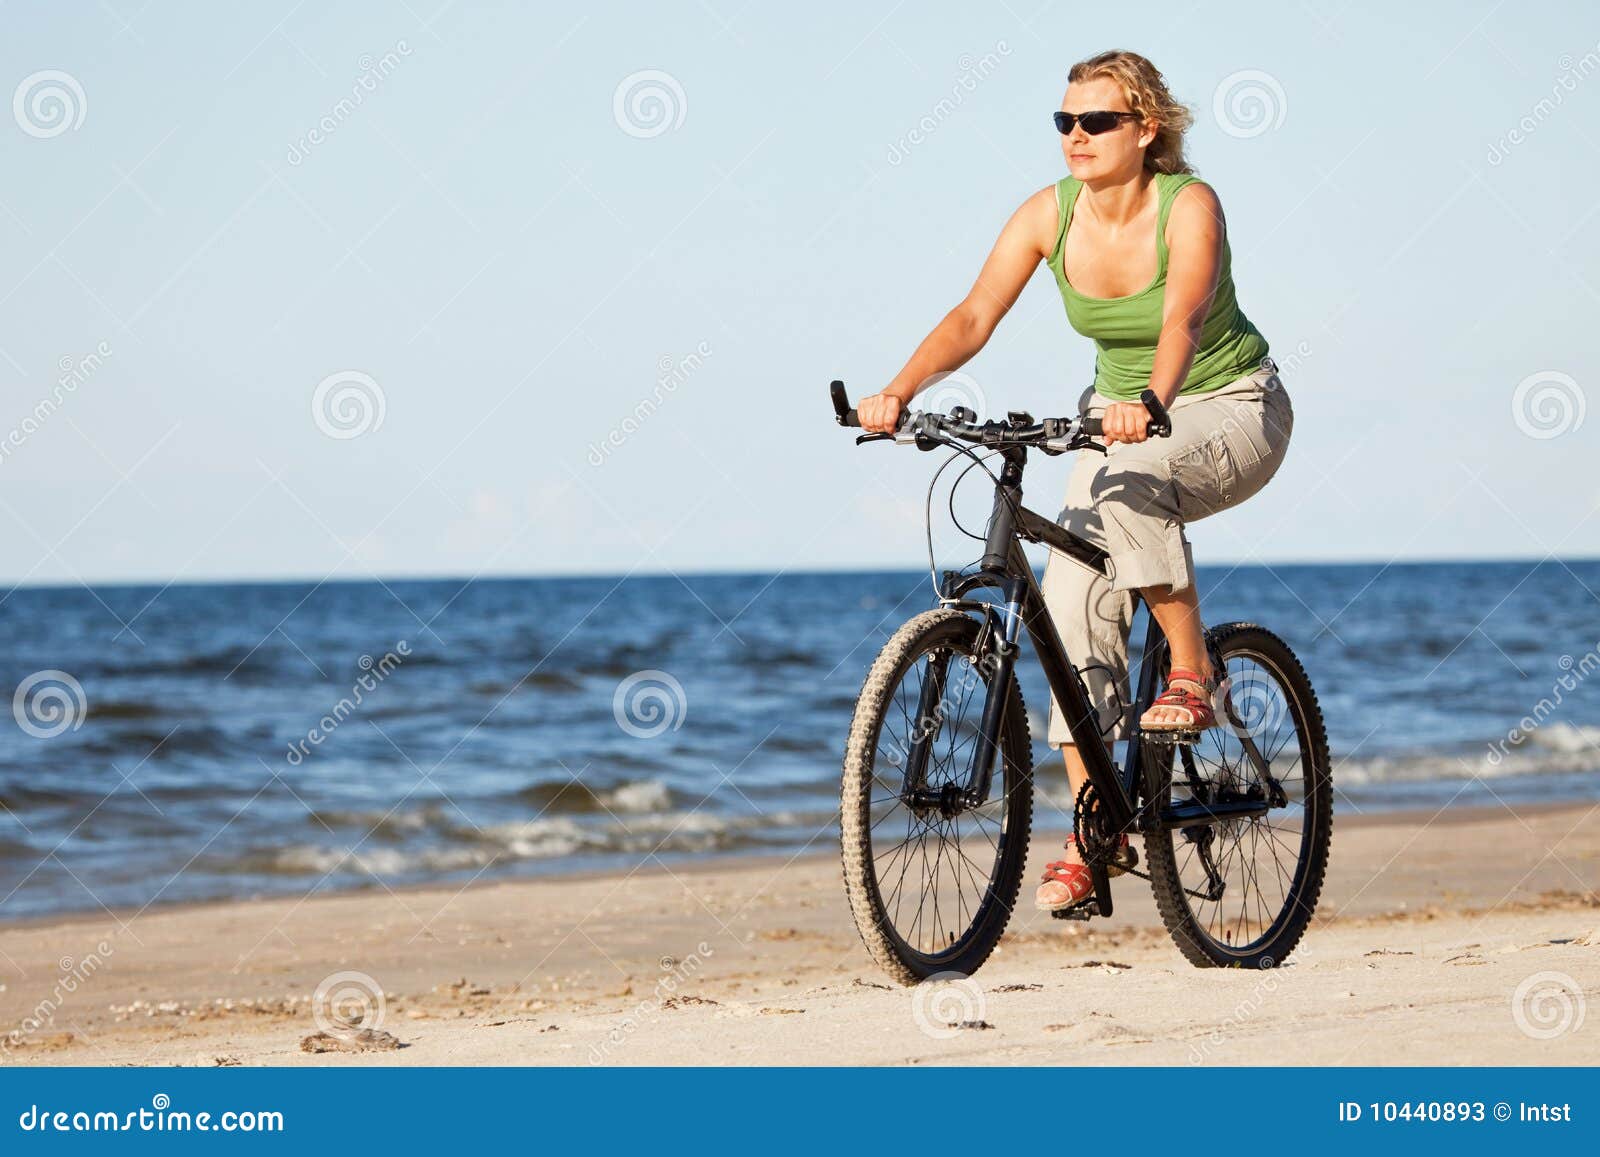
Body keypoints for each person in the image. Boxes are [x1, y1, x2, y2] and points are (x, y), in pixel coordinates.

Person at [854, 49, 1294, 913]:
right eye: (1065, 122)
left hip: (1231, 405)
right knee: (1069, 599)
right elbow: (974, 314)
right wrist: (900, 391)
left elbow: (1186, 314)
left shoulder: (1188, 205)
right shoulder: (1048, 216)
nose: (1076, 137)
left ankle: (1194, 674)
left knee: (1131, 482)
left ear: (1146, 129)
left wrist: (1151, 401)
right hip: (1115, 415)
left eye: (1097, 121)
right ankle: (1099, 824)